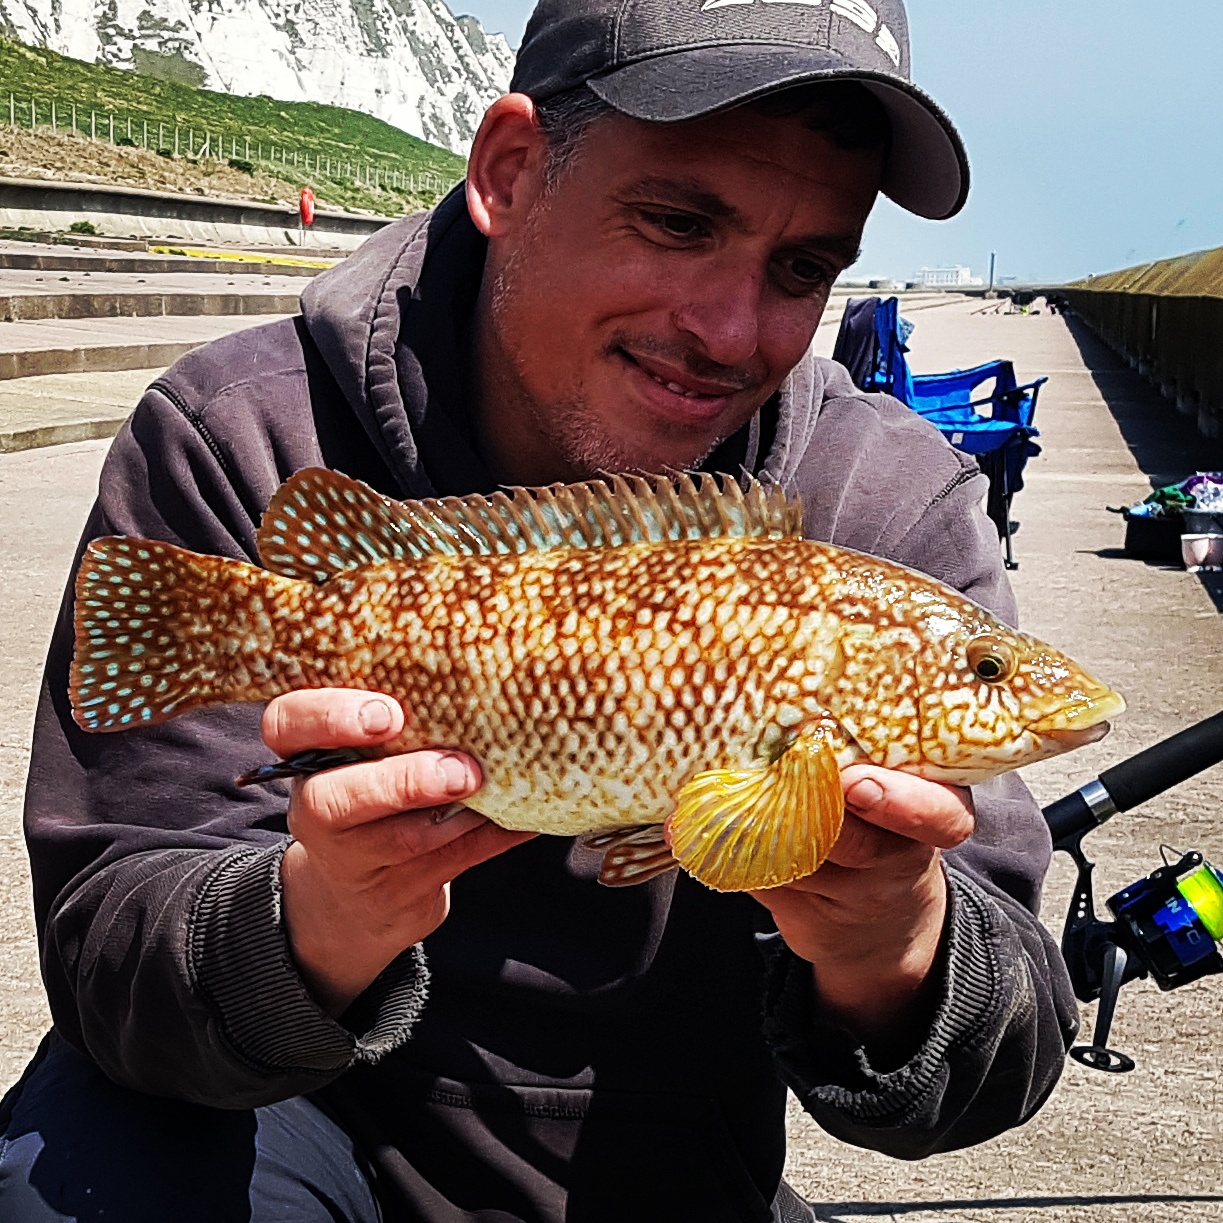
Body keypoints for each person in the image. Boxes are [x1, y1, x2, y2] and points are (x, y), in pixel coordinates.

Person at [0, 0, 1079, 1218]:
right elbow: (108, 960)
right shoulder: (240, 434)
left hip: (661, 1163)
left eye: (801, 267)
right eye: (677, 223)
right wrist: (311, 922)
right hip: (279, 1135)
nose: (727, 328)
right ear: (508, 171)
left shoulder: (880, 501)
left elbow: (1004, 1051)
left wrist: (894, 944)